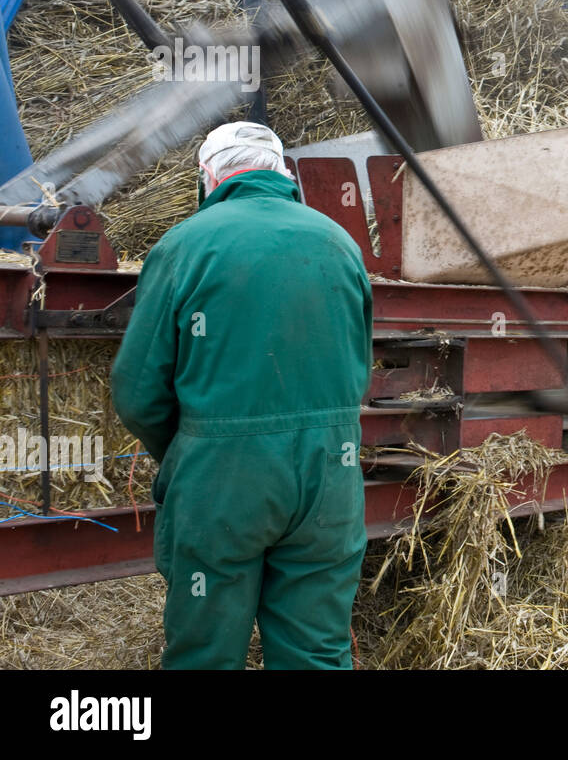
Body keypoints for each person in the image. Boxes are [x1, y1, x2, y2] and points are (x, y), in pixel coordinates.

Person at [110, 121, 373, 669]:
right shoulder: (341, 243)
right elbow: (356, 364)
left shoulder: (185, 245)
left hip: (222, 476)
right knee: (317, 648)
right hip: (330, 475)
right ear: (283, 172)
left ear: (208, 179)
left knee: (205, 650)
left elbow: (137, 393)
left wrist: (188, 452)